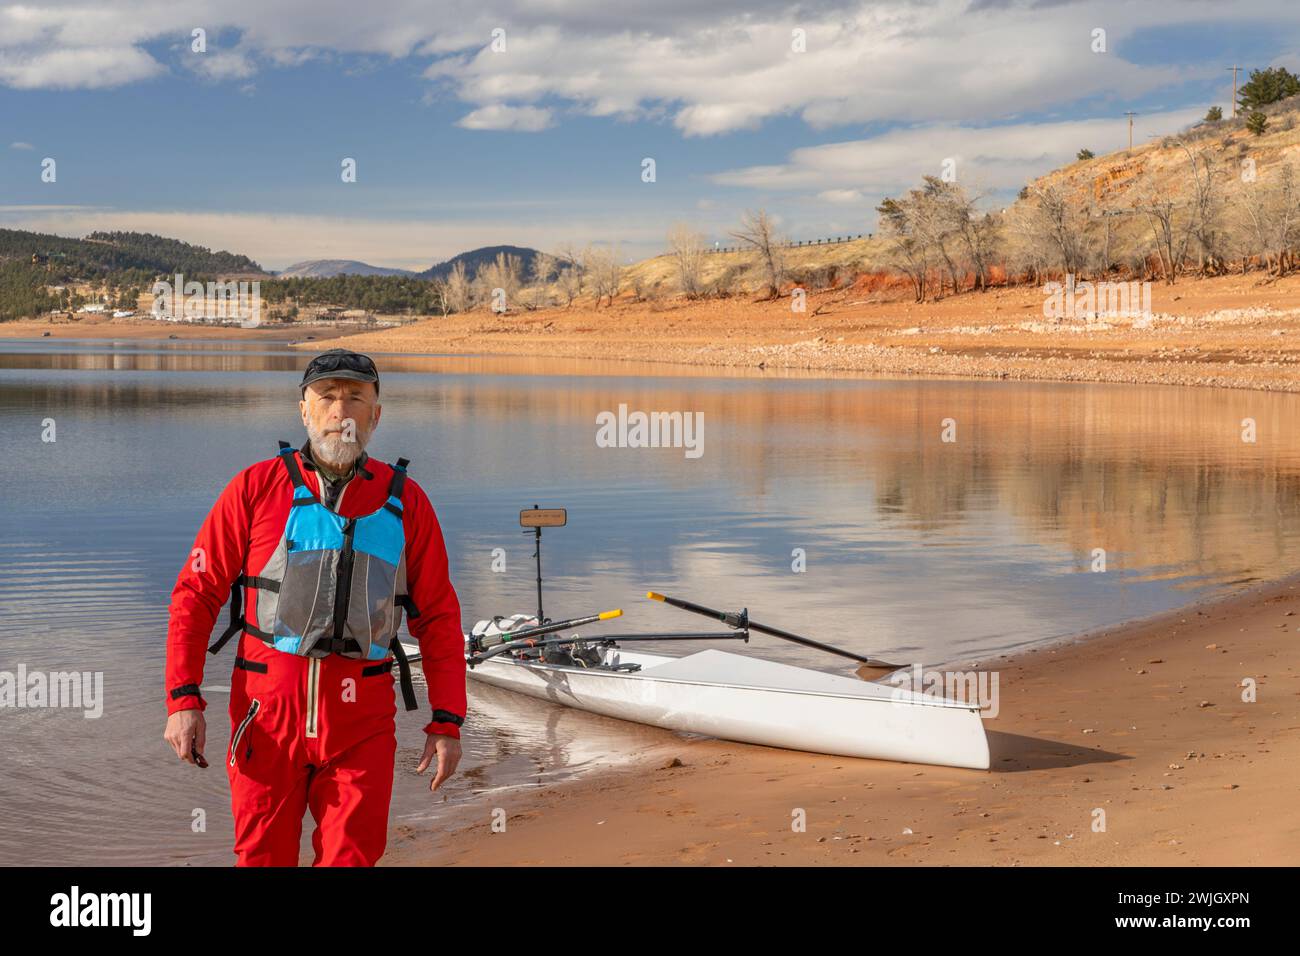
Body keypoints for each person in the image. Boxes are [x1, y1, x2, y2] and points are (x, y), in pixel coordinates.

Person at [162, 348, 466, 866]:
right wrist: (184, 698)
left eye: (355, 398)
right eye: (326, 398)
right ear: (303, 409)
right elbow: (196, 593)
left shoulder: (406, 502)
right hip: (264, 717)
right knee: (261, 857)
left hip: (361, 724)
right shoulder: (255, 489)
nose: (339, 411)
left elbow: (437, 616)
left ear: (376, 414)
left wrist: (446, 720)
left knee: (353, 857)